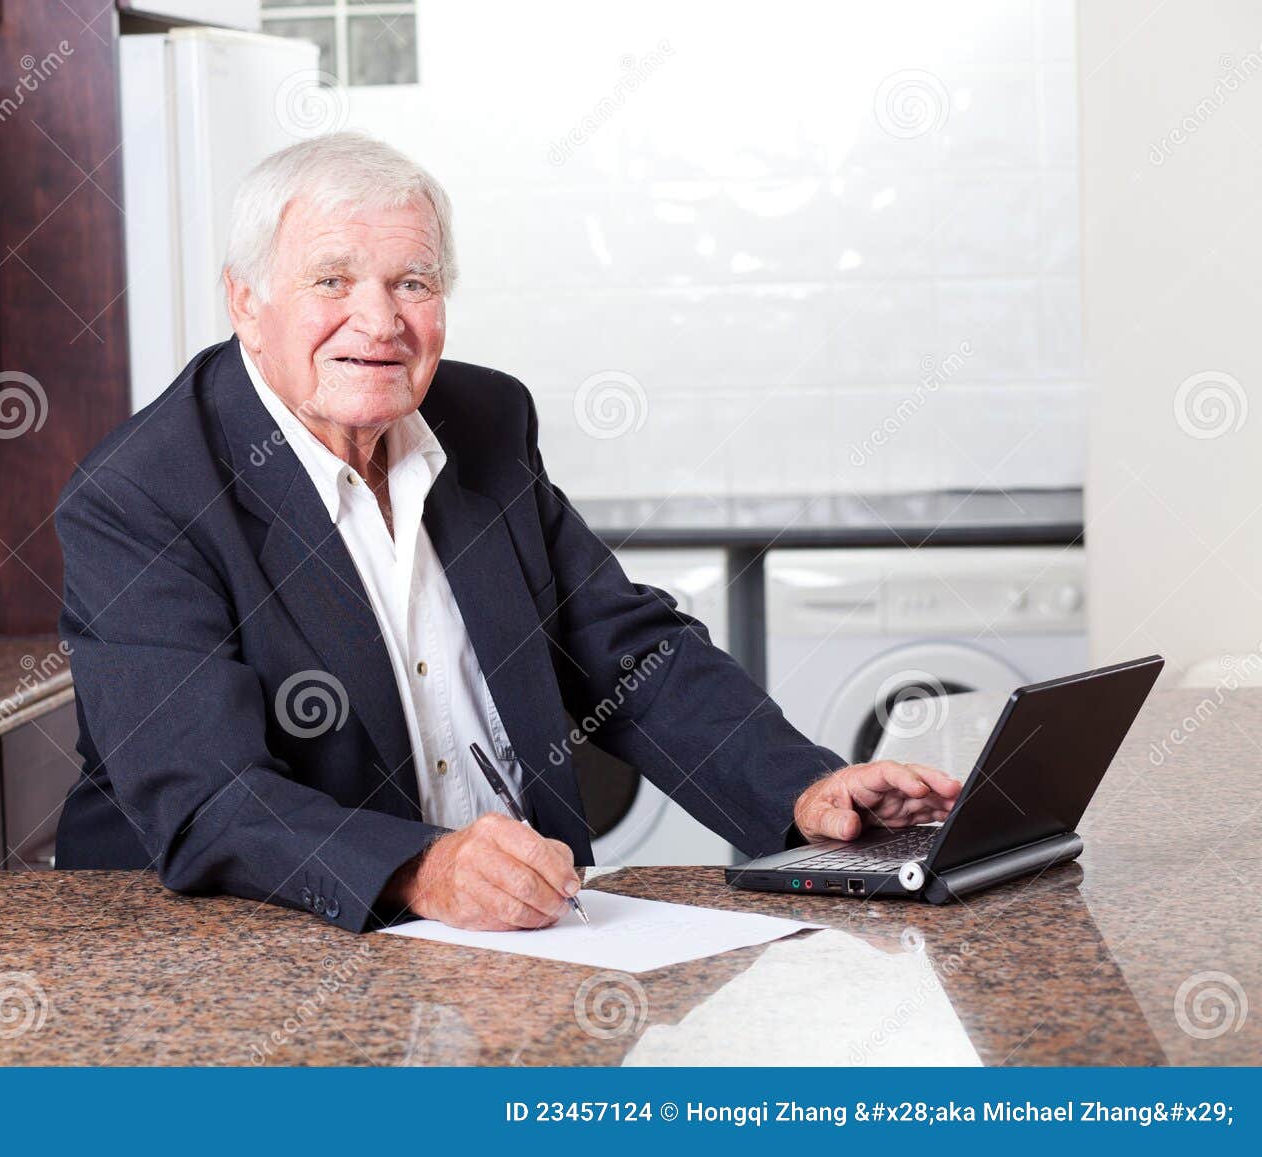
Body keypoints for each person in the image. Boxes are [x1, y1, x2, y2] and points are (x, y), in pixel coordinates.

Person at [53, 132, 959, 932]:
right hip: (248, 953)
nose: (379, 322)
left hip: (523, 937)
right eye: (331, 280)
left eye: (412, 282)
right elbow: (210, 799)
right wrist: (421, 868)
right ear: (245, 302)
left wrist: (802, 791)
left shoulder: (484, 416)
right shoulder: (143, 493)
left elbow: (626, 650)